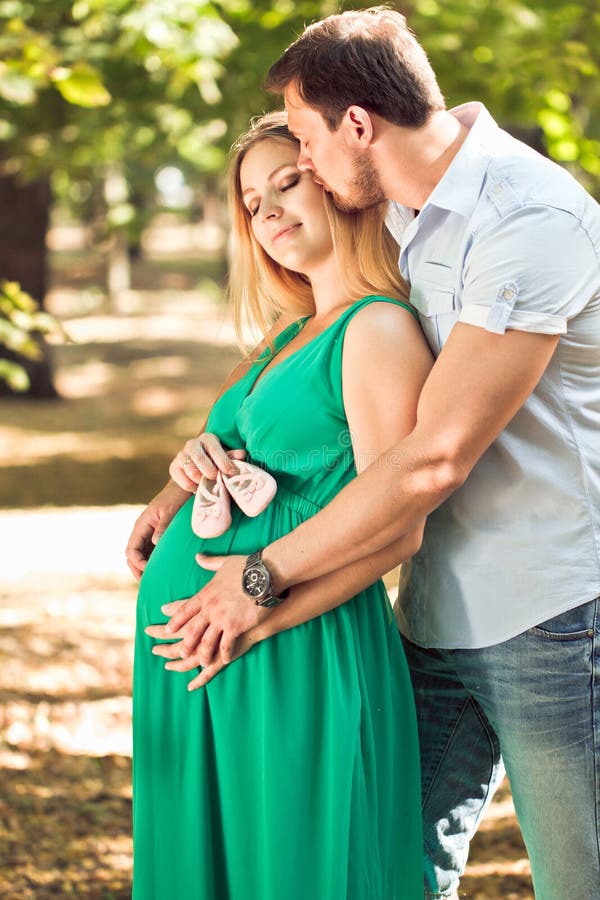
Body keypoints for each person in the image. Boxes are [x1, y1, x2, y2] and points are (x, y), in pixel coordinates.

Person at [127, 8, 600, 900]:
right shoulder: (408, 218)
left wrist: (257, 583)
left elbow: (430, 461)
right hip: (430, 617)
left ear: (357, 126)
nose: (299, 164)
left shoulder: (527, 219)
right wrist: (187, 480)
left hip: (545, 615)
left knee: (580, 878)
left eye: (303, 139)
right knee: (380, 871)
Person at [131, 109, 434, 899]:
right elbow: (234, 446)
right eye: (251, 203)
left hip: (291, 644)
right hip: (211, 647)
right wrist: (179, 479)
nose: (268, 212)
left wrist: (256, 607)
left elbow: (395, 525)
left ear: (335, 182)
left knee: (296, 869)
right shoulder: (288, 336)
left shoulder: (377, 328)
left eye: (286, 183)